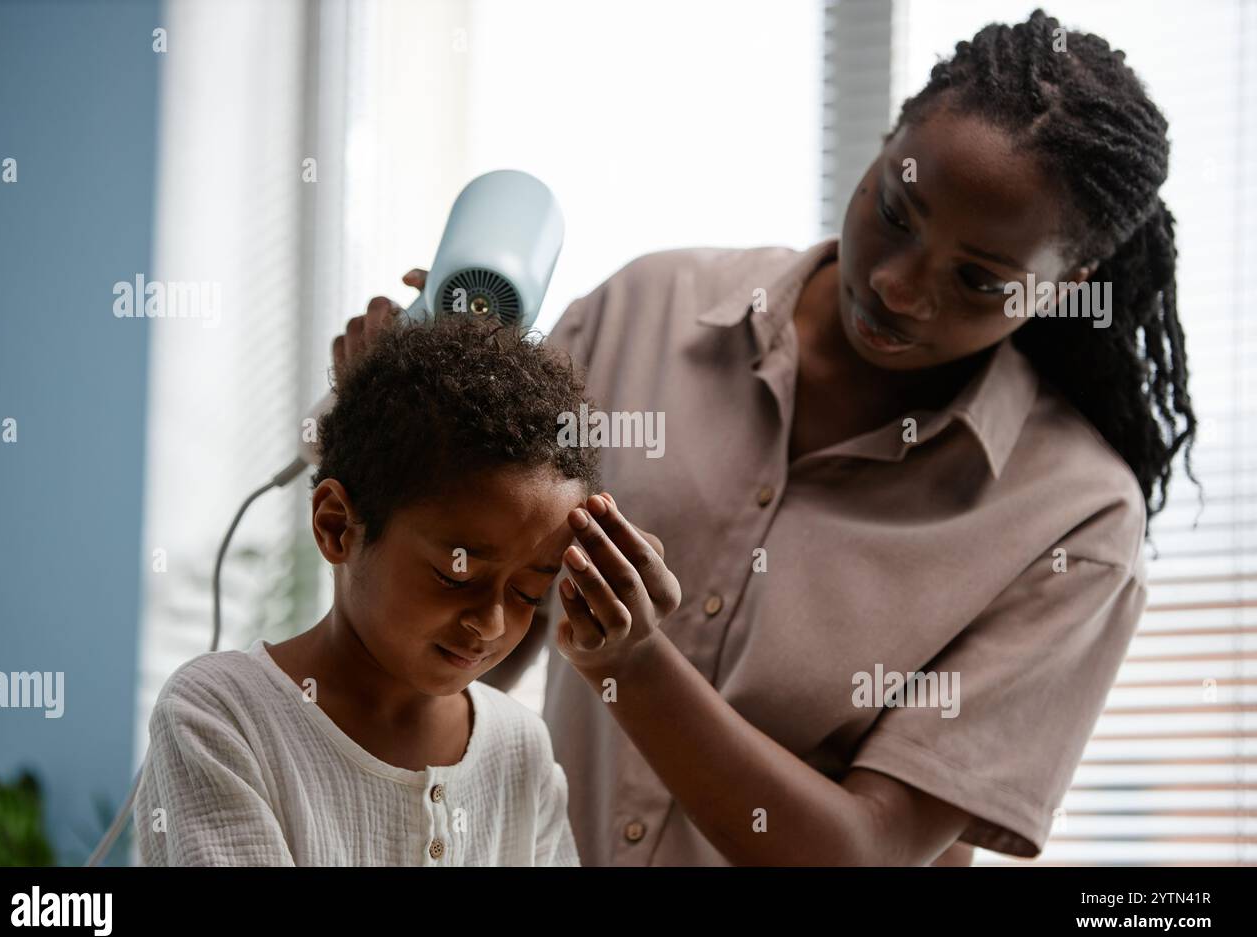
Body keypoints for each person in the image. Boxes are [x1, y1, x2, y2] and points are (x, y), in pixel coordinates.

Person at [343, 8, 1199, 866]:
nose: (900, 287)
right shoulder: (644, 311)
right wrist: (398, 463)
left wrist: (635, 666)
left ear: (1066, 286)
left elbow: (866, 852)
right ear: (887, 138)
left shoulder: (1074, 522)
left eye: (978, 279)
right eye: (897, 214)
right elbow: (472, 646)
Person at [134, 315, 600, 865]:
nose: (493, 623)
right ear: (337, 526)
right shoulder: (222, 715)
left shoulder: (521, 748)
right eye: (456, 576)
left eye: (528, 592)